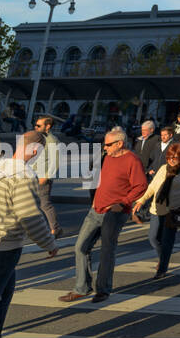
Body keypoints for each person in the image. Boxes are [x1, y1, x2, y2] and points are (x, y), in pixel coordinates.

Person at [61, 126, 145, 304]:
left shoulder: (132, 160)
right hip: (96, 209)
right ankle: (82, 287)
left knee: (107, 250)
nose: (104, 147)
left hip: (114, 212)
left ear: (120, 143)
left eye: (107, 144)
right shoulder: (106, 157)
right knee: (80, 247)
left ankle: (103, 289)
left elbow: (140, 186)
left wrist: (123, 202)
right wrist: (94, 199)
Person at [0, 131, 58, 337]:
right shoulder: (23, 174)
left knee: (6, 292)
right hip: (6, 245)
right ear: (35, 150)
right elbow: (30, 216)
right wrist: (49, 243)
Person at [132, 141, 180, 279]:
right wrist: (141, 200)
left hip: (175, 210)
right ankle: (163, 257)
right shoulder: (163, 168)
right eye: (169, 157)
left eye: (174, 158)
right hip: (157, 208)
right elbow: (152, 187)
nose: (171, 160)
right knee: (153, 238)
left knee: (167, 240)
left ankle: (162, 268)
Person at [31, 115, 63, 238]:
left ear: (47, 126)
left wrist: (47, 176)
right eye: (35, 125)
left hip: (42, 177)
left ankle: (55, 229)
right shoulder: (37, 138)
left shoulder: (52, 140)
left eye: (38, 125)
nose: (35, 127)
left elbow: (55, 161)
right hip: (31, 175)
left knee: (44, 204)